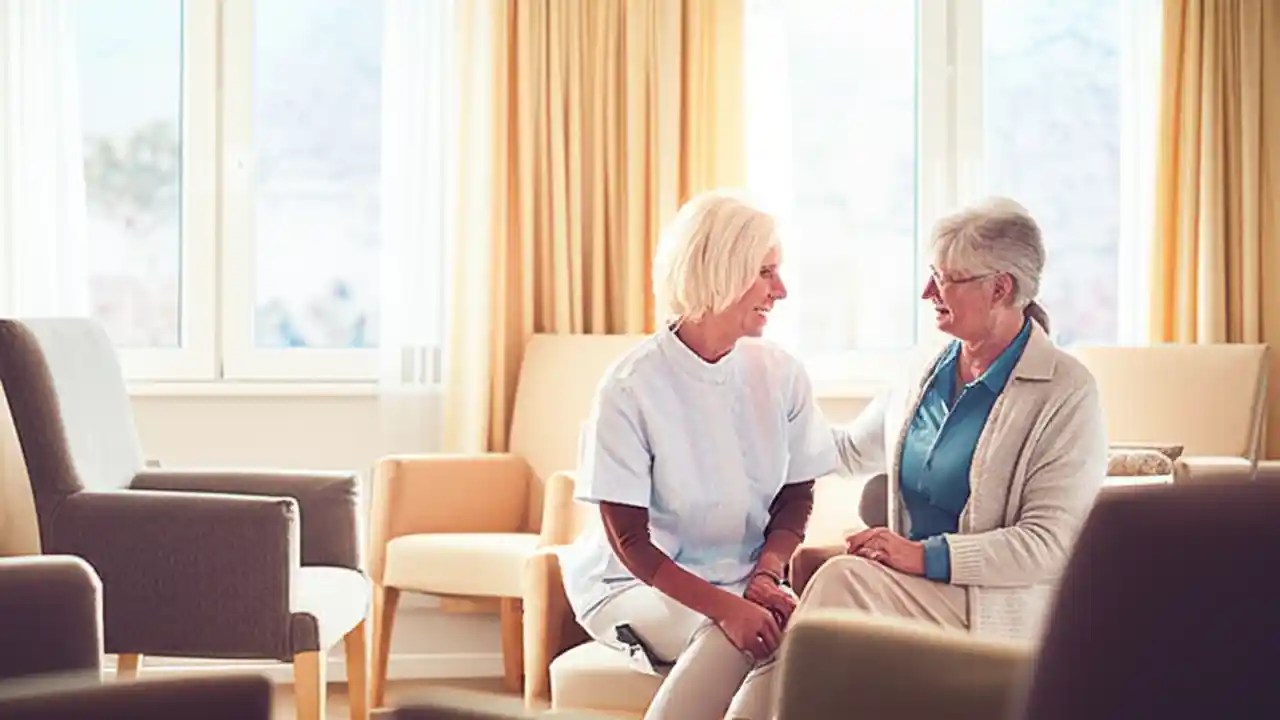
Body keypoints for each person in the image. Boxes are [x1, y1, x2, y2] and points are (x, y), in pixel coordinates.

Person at [726, 197, 1109, 719]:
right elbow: (842, 451)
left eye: (947, 279)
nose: (928, 292)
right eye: (932, 274)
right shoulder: (921, 369)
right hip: (913, 594)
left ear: (1001, 288)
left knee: (839, 582)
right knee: (832, 608)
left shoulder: (1065, 391)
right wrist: (757, 398)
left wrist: (922, 555)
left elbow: (1049, 545)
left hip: (990, 608)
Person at [558, 190, 840, 720]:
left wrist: (767, 573)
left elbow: (797, 491)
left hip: (743, 573)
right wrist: (727, 607)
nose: (780, 290)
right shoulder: (630, 386)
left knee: (790, 639)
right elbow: (630, 544)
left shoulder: (780, 373)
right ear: (723, 271)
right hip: (636, 582)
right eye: (765, 272)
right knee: (735, 634)